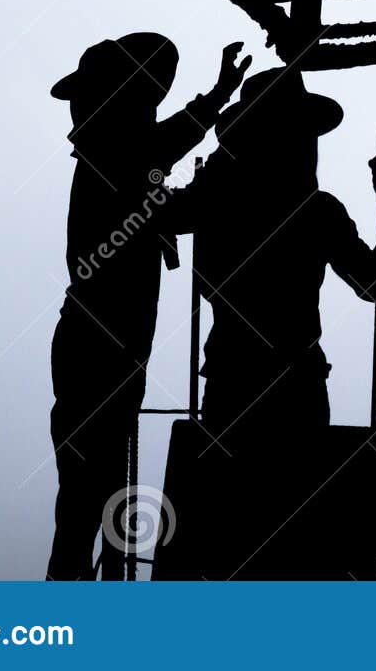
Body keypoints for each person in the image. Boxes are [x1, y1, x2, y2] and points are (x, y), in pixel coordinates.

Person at [46, 33, 249, 580]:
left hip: (112, 347)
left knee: (98, 488)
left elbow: (165, 193)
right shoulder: (112, 159)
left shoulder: (126, 165)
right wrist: (219, 100)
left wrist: (216, 108)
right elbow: (165, 168)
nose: (78, 108)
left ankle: (93, 595)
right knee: (89, 492)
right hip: (99, 345)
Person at [165, 67, 376, 448]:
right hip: (286, 382)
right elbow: (375, 283)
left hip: (239, 379)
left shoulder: (221, 200)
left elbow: (156, 210)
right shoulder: (313, 211)